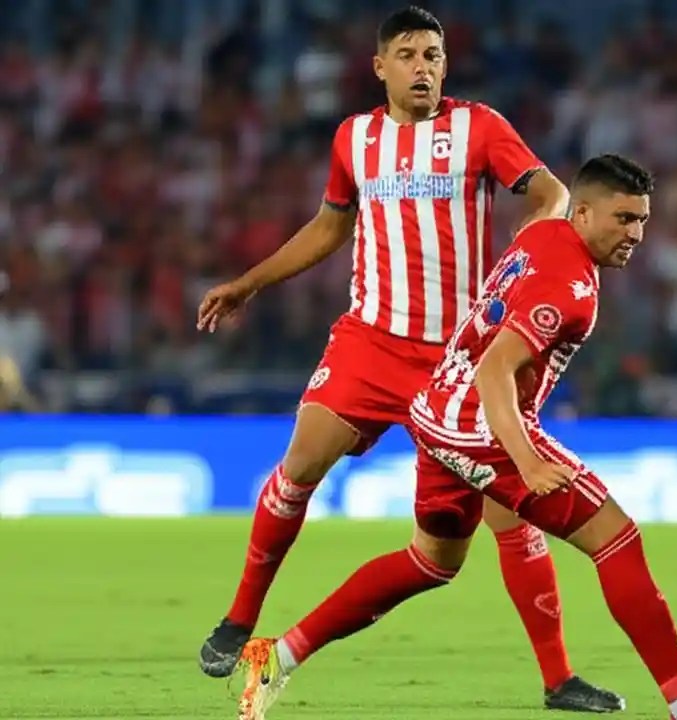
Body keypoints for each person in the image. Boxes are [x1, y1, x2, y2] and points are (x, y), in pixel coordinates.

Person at [194, 7, 621, 712]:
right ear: (380, 67)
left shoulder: (479, 128)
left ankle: (557, 679)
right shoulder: (354, 139)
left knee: (506, 516)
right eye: (408, 54)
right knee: (297, 469)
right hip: (371, 342)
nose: (423, 66)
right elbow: (331, 226)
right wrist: (249, 283)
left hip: (458, 362)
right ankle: (241, 618)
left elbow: (551, 194)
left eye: (433, 54)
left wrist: (524, 259)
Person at [233, 154, 677, 720]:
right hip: (477, 423)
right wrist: (527, 461)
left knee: (430, 562)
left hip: (435, 407)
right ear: (583, 214)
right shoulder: (569, 289)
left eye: (641, 220)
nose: (635, 234)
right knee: (617, 540)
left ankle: (278, 656)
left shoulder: (544, 233)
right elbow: (496, 370)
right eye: (623, 219)